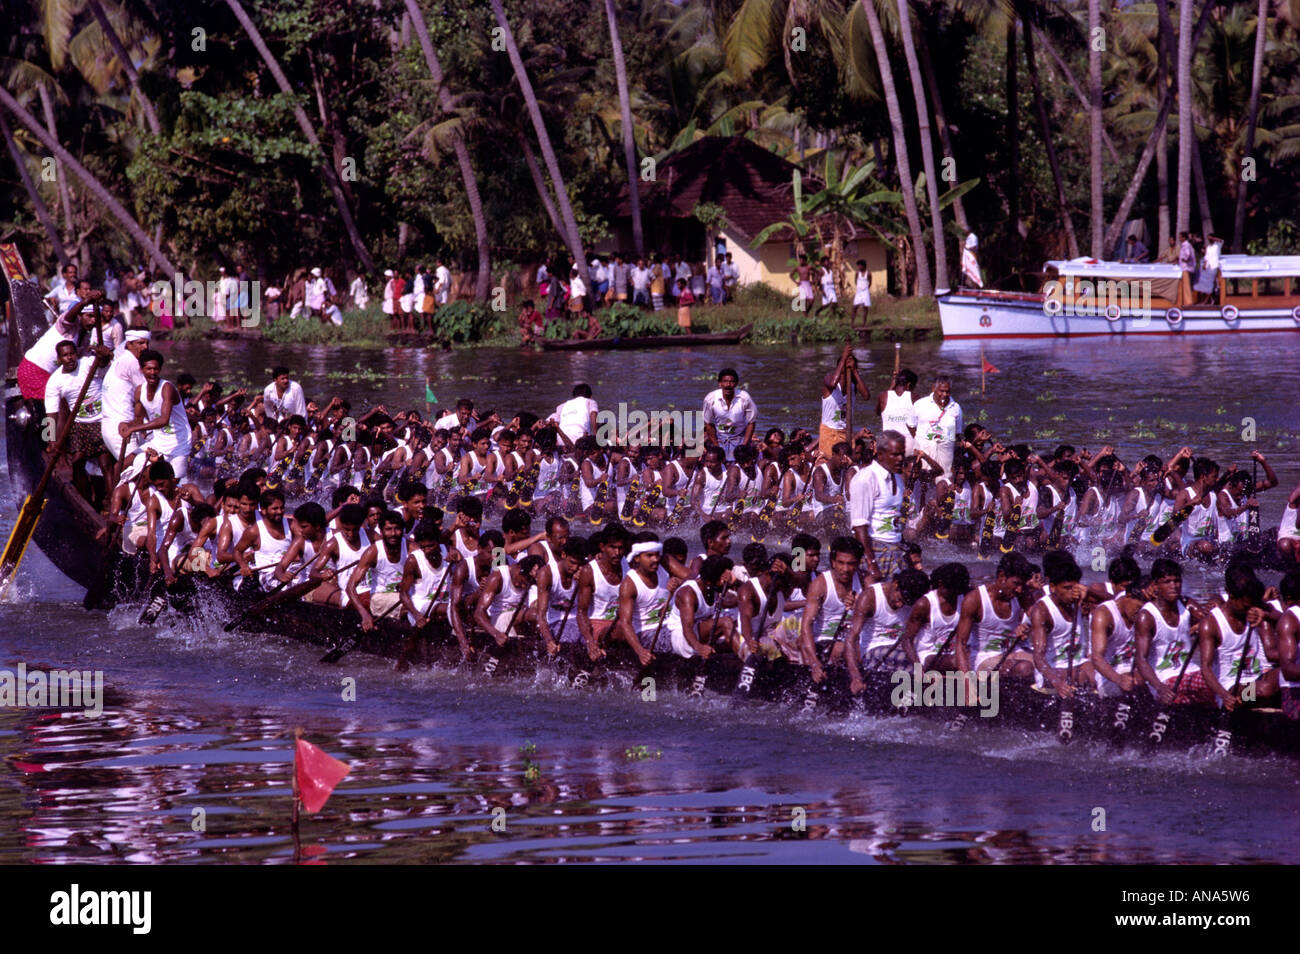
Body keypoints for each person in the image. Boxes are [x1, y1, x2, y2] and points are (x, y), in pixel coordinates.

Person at [849, 430, 907, 579]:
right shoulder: (866, 478)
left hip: (896, 547)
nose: (901, 459)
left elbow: (895, 517)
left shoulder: (898, 479)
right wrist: (871, 563)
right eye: (895, 455)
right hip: (875, 548)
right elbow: (859, 525)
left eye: (902, 454)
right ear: (880, 454)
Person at [819, 343, 869, 459]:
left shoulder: (853, 386)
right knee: (830, 461)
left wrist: (855, 371)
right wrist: (844, 356)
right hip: (829, 431)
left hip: (846, 431)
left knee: (846, 462)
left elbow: (866, 396)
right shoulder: (829, 380)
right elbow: (832, 383)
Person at [912, 374, 963, 482]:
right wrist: (921, 440)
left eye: (947, 391)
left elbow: (957, 433)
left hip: (946, 453)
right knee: (922, 480)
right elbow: (911, 425)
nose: (944, 395)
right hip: (923, 449)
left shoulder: (955, 408)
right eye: (941, 391)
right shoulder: (920, 404)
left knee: (944, 480)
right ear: (933, 388)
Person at [702, 368, 756, 458]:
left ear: (736, 384)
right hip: (719, 438)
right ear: (720, 383)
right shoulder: (710, 399)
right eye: (725, 381)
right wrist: (716, 446)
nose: (728, 385)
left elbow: (751, 422)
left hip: (740, 437)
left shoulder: (744, 398)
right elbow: (708, 423)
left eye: (731, 382)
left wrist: (744, 445)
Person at [851, 259, 872, 330]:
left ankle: (864, 323)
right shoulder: (857, 273)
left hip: (865, 291)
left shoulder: (868, 273)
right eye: (858, 265)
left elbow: (870, 282)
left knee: (865, 308)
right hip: (859, 292)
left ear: (863, 266)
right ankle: (852, 323)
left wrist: (865, 288)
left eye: (860, 265)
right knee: (855, 307)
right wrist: (859, 287)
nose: (859, 267)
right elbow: (855, 281)